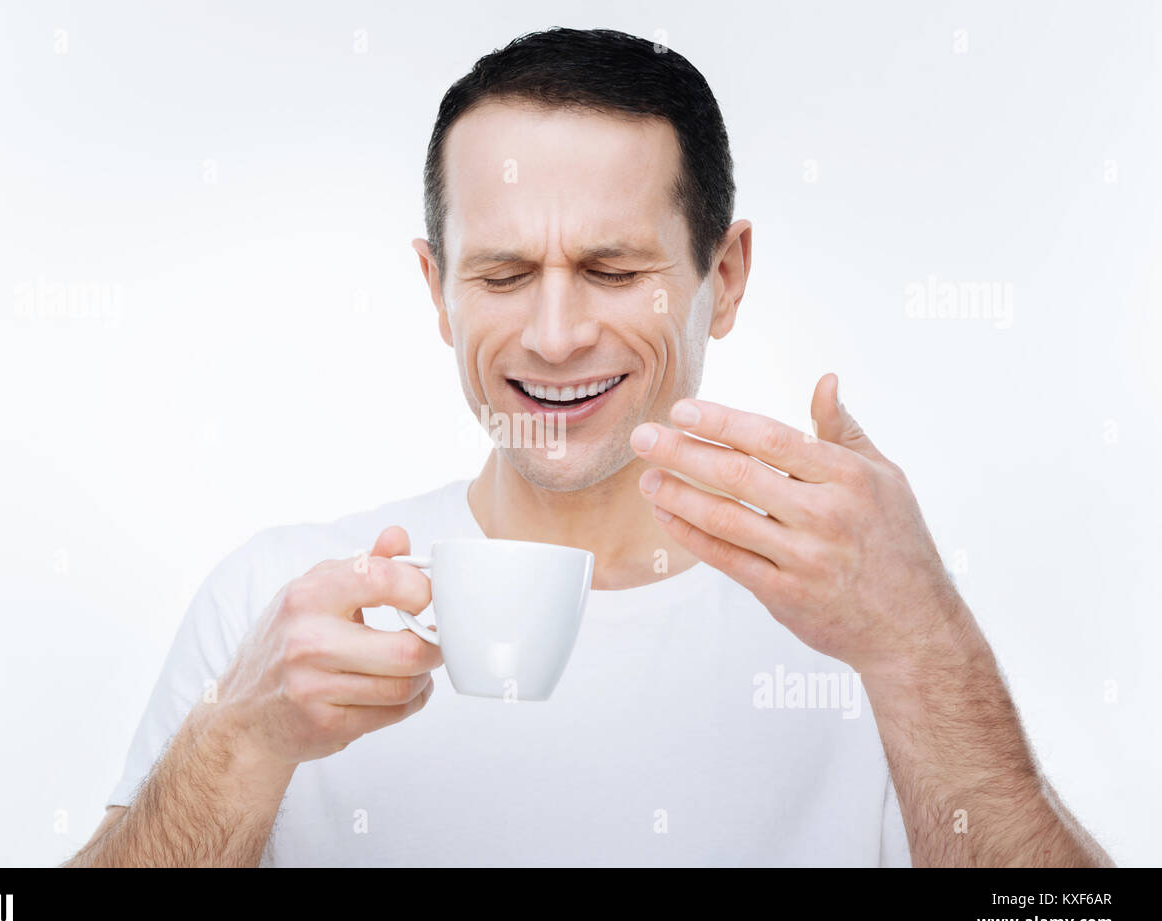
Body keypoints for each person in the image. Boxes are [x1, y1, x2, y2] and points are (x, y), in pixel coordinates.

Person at [66, 27, 1112, 867]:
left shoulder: (864, 627)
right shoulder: (280, 603)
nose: (555, 335)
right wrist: (236, 746)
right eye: (504, 275)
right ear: (436, 290)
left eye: (614, 271)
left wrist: (924, 651)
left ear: (727, 276)